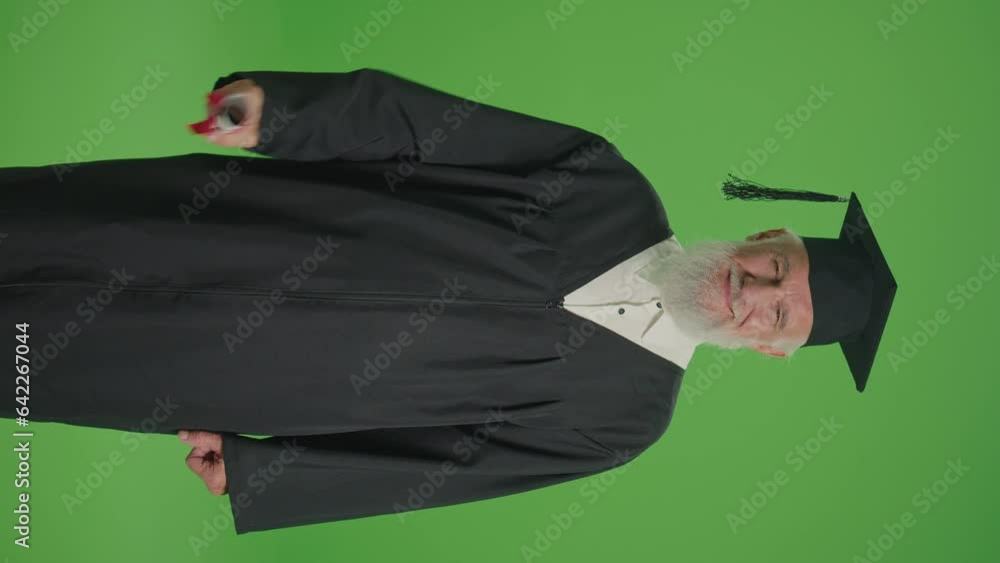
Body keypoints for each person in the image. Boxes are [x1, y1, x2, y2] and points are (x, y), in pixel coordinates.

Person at [0, 68, 895, 534]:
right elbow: (426, 130)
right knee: (67, 224)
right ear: (769, 239)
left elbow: (448, 469)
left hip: (253, 372)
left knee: (51, 356)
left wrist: (265, 468)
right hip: (255, 224)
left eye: (782, 313)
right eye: (777, 271)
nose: (756, 295)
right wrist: (286, 114)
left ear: (774, 349)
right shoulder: (605, 186)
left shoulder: (625, 419)